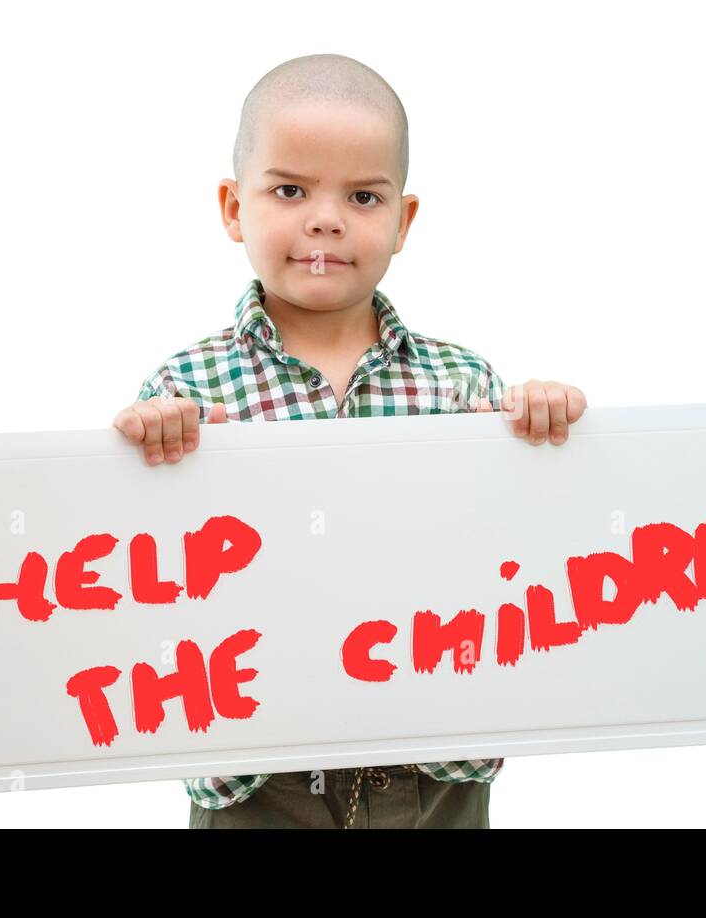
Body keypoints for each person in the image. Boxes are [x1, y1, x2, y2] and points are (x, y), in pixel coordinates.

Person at [112, 53, 586, 828]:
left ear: (403, 220)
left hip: (435, 772)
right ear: (234, 207)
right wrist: (139, 451)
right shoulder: (185, 389)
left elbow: (516, 546)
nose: (325, 219)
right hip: (259, 778)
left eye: (363, 196)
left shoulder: (462, 384)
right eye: (290, 190)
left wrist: (537, 426)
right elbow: (138, 571)